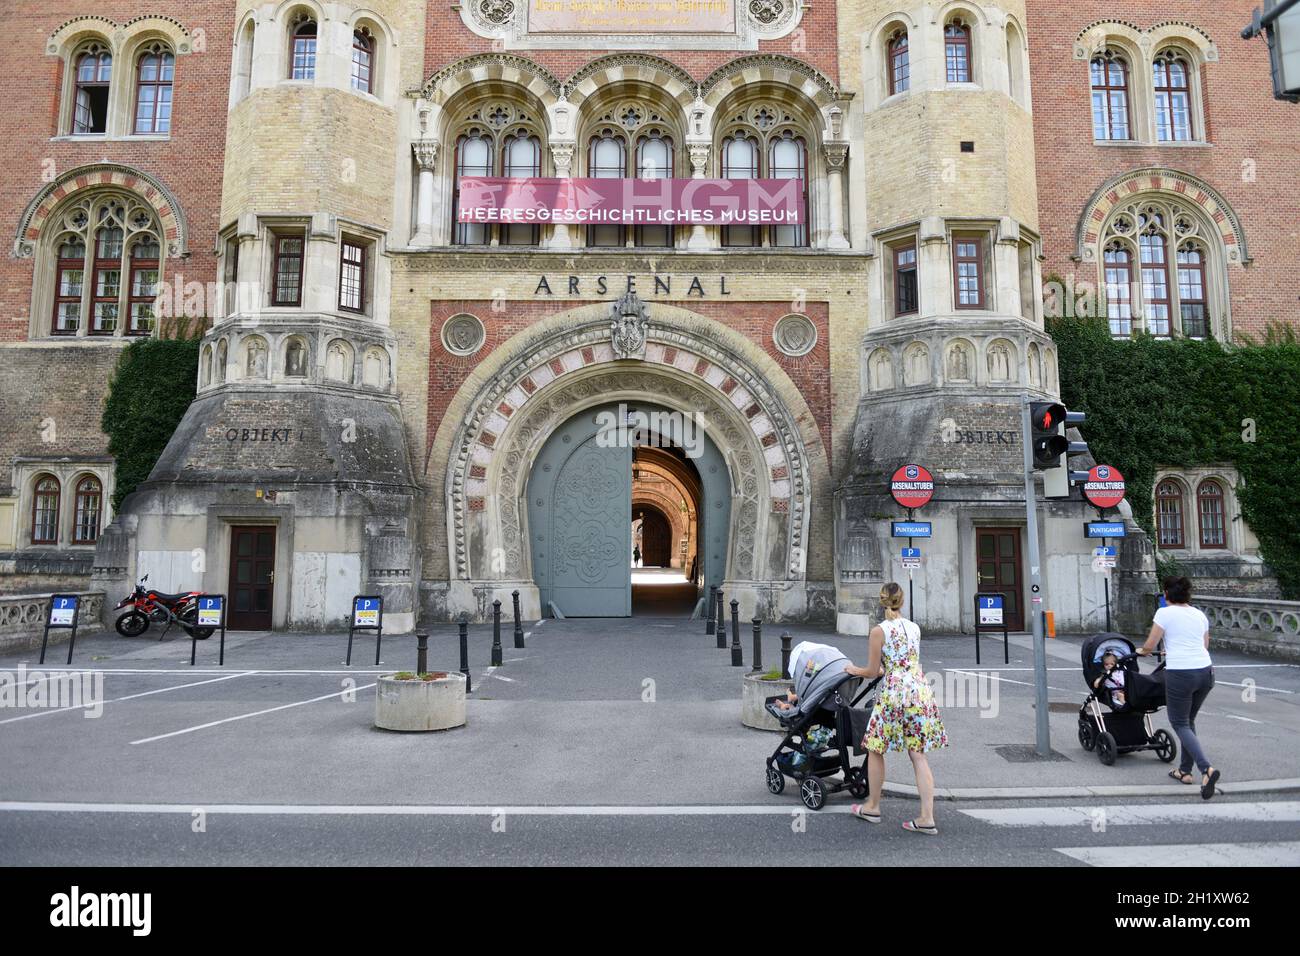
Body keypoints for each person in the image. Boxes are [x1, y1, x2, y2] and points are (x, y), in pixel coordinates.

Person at [849, 582, 948, 835]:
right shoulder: (915, 628)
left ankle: (872, 806)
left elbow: (872, 672)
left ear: (881, 602)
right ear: (901, 601)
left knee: (875, 747)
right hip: (919, 690)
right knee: (918, 754)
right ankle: (927, 817)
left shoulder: (878, 631)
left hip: (895, 693)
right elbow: (904, 662)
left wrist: (854, 670)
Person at [1138, 576, 1219, 798]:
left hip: (1181, 673)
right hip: (1206, 672)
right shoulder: (1198, 614)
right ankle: (1184, 771)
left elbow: (1150, 644)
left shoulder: (1164, 613)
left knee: (1180, 722)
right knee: (1189, 722)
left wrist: (1142, 651)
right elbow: (1203, 645)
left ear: (1166, 594)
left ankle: (1206, 769)